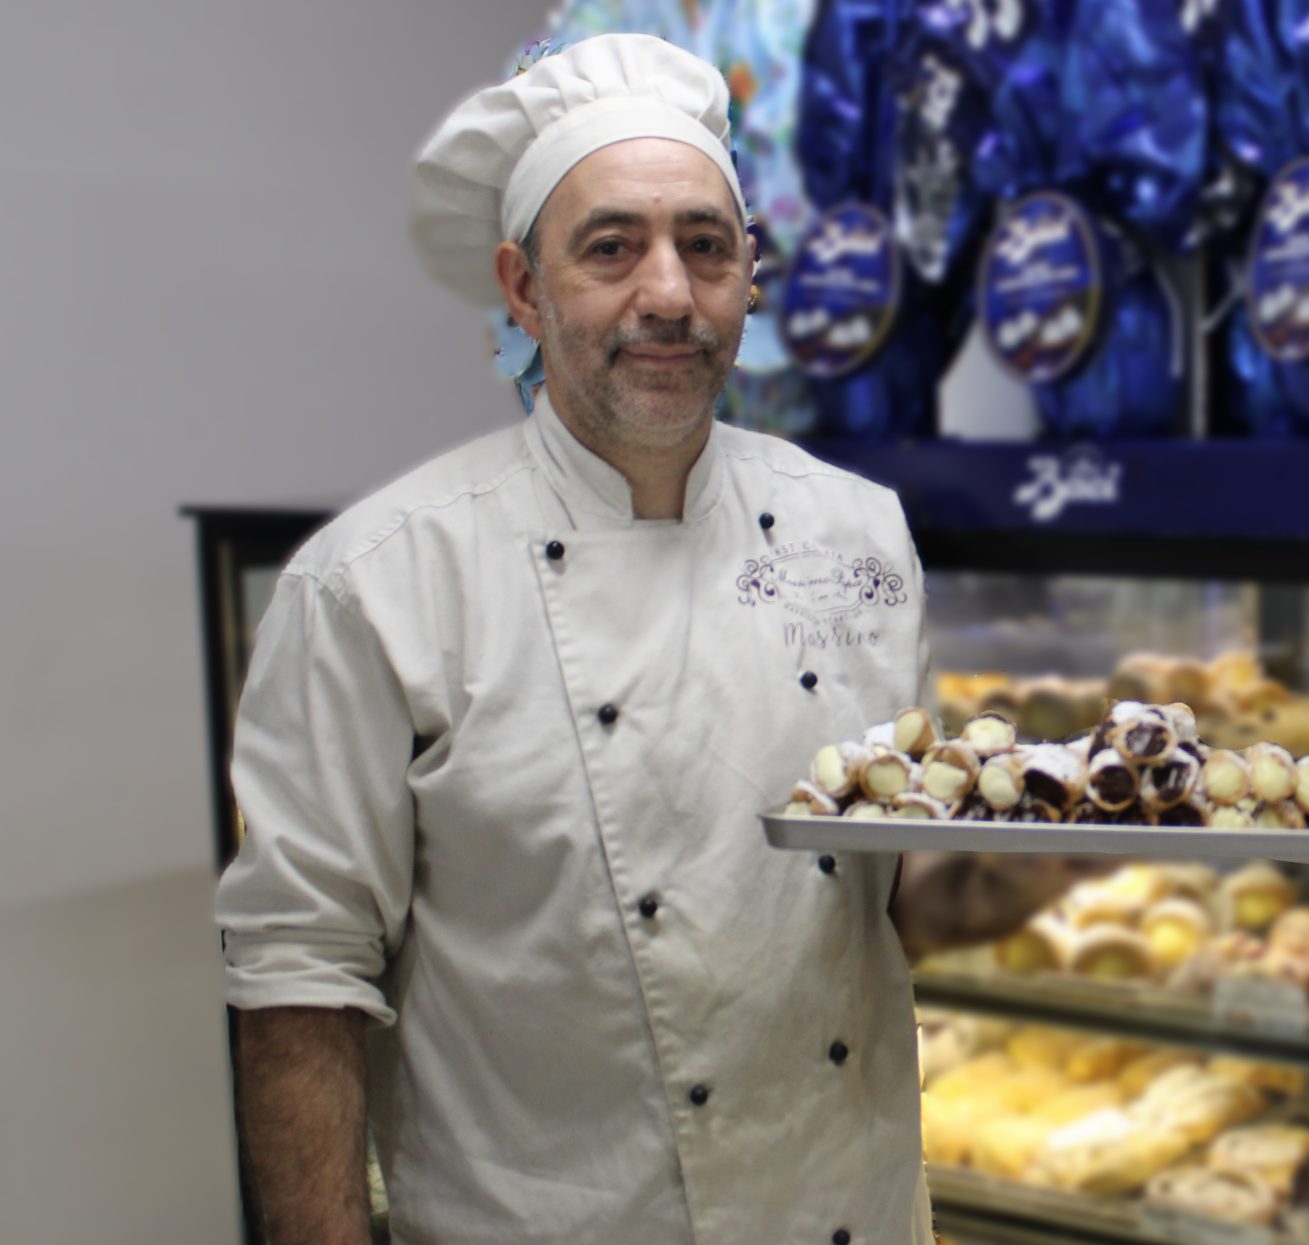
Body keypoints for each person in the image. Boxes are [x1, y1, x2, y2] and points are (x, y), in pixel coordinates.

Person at [216, 34, 1090, 1245]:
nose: (669, 296)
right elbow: (298, 980)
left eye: (705, 246)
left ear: (749, 277)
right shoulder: (376, 584)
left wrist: (1019, 865)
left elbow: (877, 898)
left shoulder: (858, 534)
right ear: (523, 288)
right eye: (611, 247)